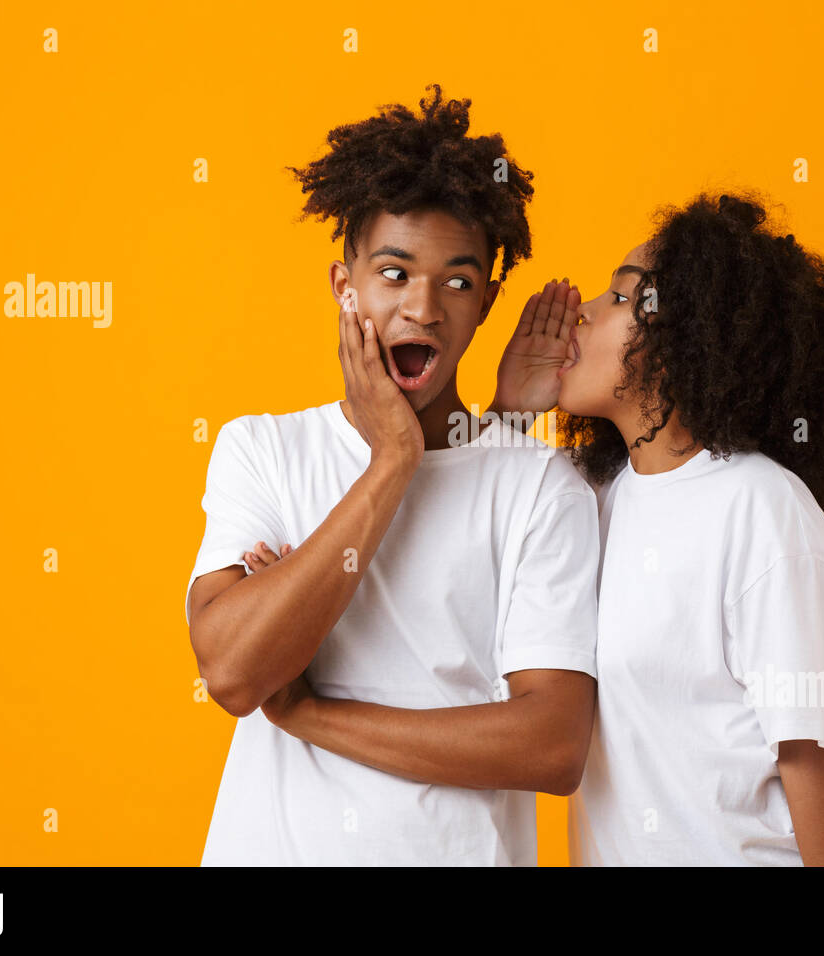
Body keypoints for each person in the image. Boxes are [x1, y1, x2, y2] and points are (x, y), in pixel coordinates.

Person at [184, 84, 600, 866]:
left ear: (485, 304)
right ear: (345, 287)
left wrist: (311, 714)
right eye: (395, 273)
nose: (424, 308)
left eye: (457, 281)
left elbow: (552, 745)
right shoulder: (262, 450)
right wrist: (394, 461)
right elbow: (235, 673)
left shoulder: (542, 486)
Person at [490, 191, 824, 865]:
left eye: (620, 299)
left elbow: (810, 756)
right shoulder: (589, 497)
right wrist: (507, 405)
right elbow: (472, 530)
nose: (582, 312)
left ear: (688, 339)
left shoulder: (761, 505)